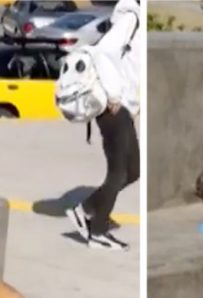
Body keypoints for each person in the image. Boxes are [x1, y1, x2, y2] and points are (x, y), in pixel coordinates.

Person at [65, 0, 140, 251]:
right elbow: (101, 52)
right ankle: (97, 231)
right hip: (112, 107)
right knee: (118, 172)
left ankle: (86, 209)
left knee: (133, 170)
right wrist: (114, 95)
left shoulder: (135, 18)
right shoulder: (131, 17)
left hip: (124, 108)